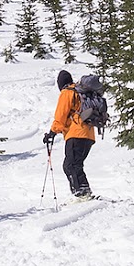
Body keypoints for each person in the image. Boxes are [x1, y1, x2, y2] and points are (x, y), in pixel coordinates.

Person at [43, 69, 95, 199]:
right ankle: (84, 191)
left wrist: (52, 132)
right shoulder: (79, 93)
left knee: (70, 165)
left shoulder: (67, 93)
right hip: (88, 135)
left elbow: (61, 115)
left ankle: (81, 194)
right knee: (75, 164)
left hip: (76, 134)